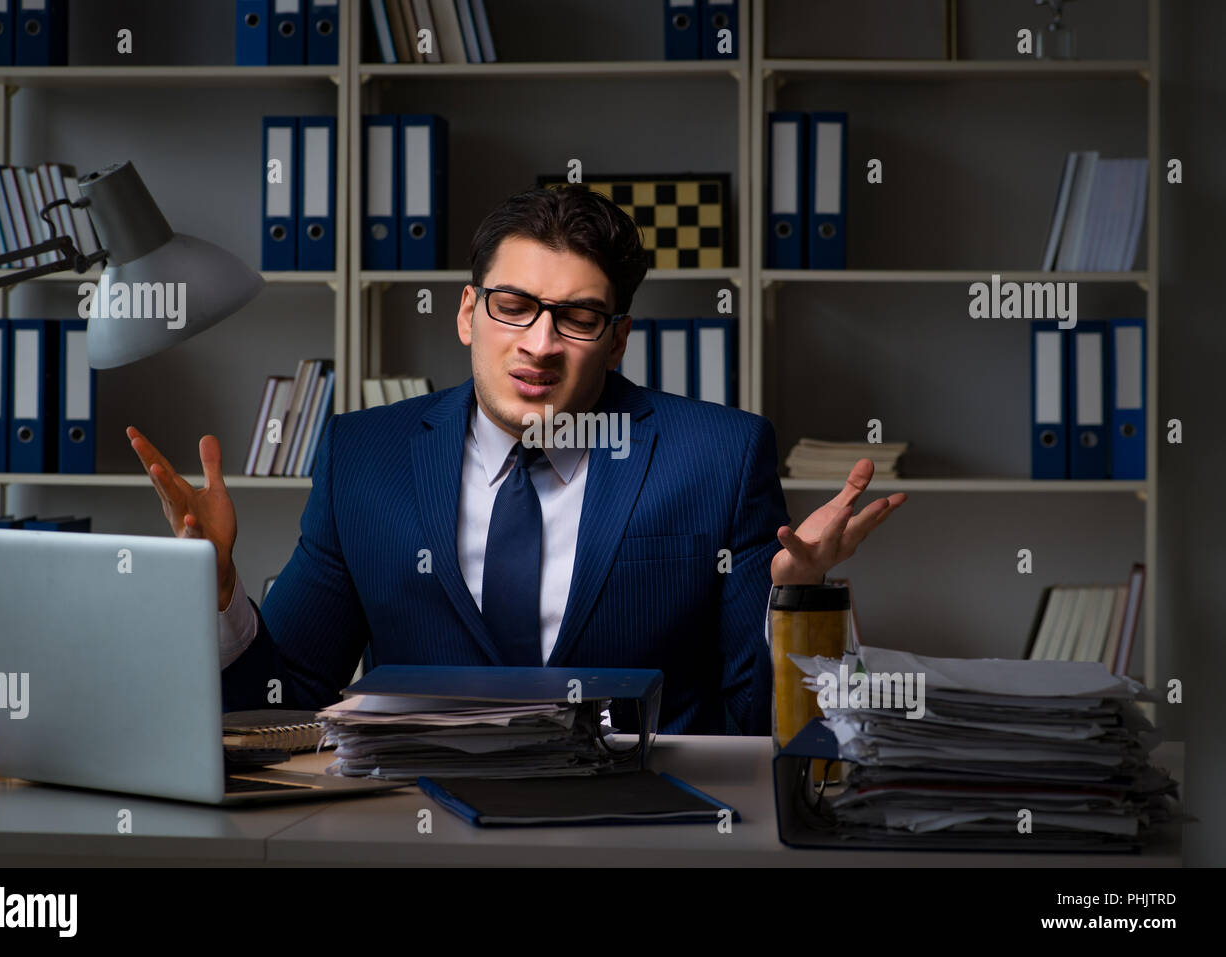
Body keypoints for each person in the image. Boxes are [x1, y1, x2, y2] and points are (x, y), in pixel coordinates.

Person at [127, 185, 904, 734]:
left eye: (577, 317)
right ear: (469, 313)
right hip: (419, 837)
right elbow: (283, 695)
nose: (539, 342)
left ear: (618, 338)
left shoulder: (720, 457)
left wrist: (803, 602)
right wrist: (221, 590)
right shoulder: (364, 458)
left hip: (644, 838)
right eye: (514, 306)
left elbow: (775, 720)